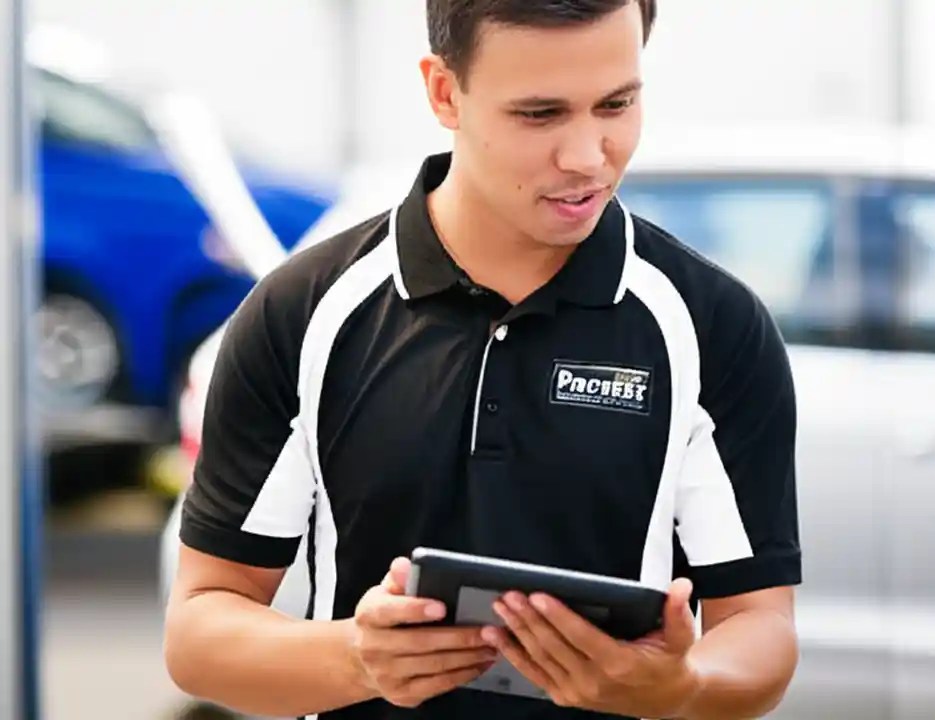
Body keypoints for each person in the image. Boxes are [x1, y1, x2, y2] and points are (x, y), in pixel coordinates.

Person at [161, 1, 802, 719]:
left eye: (617, 103)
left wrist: (683, 688)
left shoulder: (716, 325)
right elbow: (199, 631)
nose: (589, 155)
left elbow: (760, 626)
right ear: (444, 92)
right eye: (540, 114)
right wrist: (357, 659)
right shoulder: (303, 312)